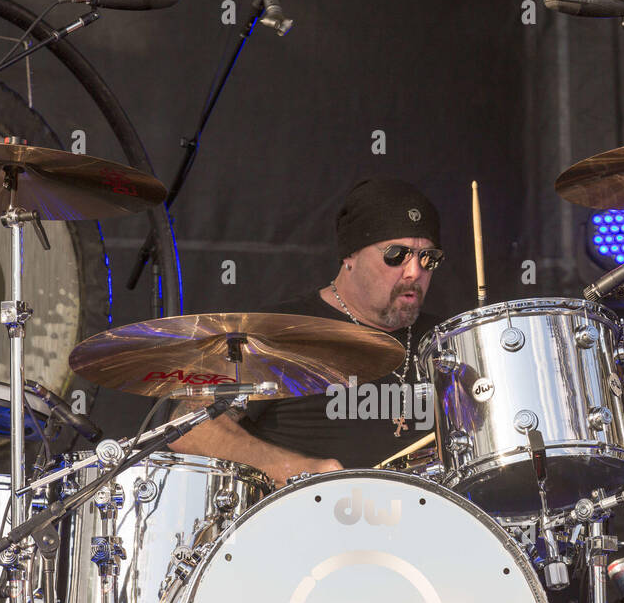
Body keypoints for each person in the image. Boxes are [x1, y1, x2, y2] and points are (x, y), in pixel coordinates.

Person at [169, 178, 445, 484]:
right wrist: (285, 466)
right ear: (350, 256)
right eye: (396, 255)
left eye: (428, 258)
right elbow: (190, 427)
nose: (414, 271)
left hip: (422, 522)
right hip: (305, 521)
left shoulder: (447, 340)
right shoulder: (280, 332)